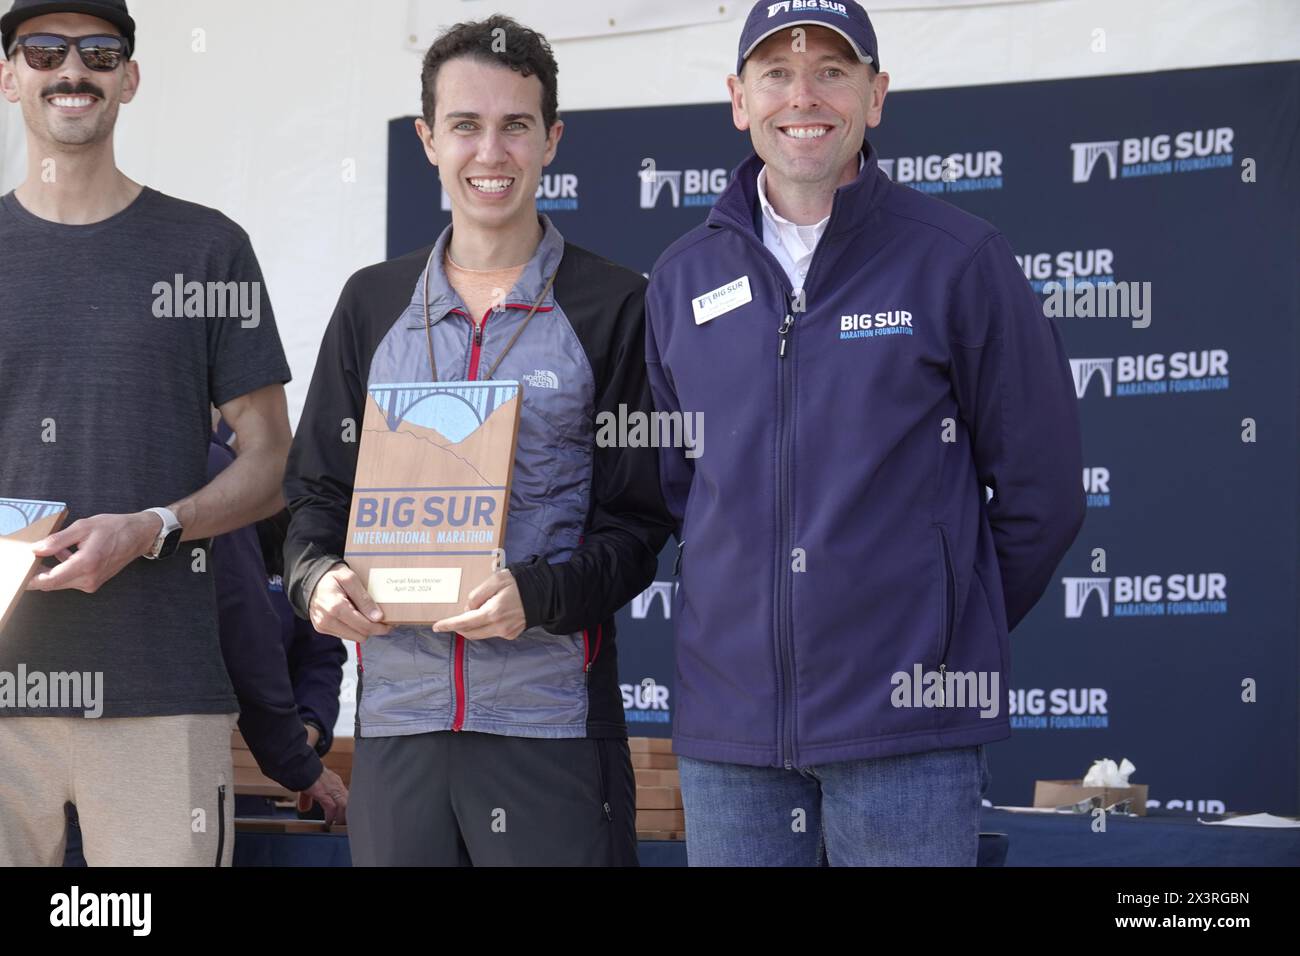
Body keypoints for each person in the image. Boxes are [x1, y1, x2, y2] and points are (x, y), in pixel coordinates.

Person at [644, 0, 1085, 866]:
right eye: (776, 73)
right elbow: (676, 488)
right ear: (739, 99)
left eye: (832, 72)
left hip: (907, 733)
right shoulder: (681, 277)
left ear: (875, 96)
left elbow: (1044, 491)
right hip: (731, 738)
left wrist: (947, 624)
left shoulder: (957, 257)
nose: (802, 96)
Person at [283, 15, 672, 866]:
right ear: (428, 139)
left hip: (550, 725)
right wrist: (315, 581)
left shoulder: (614, 305)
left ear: (551, 140)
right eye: (465, 125)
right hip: (396, 727)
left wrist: (537, 595)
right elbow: (313, 494)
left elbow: (640, 531)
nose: (489, 152)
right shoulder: (370, 304)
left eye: (514, 126)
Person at [0, 0, 292, 866]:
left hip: (163, 697)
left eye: (99, 51)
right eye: (43, 49)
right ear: (7, 74)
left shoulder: (208, 249)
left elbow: (272, 460)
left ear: (129, 78)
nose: (71, 70)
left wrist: (153, 528)